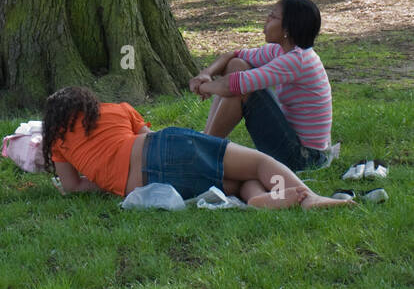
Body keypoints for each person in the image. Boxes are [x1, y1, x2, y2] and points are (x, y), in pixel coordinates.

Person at [43, 86, 352, 209]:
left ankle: (259, 199)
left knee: (233, 182)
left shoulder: (58, 142)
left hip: (148, 185)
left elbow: (72, 186)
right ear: (90, 103)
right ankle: (309, 198)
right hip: (163, 147)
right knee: (257, 162)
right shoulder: (116, 109)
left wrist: (100, 177)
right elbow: (150, 134)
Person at [191, 0, 334, 172]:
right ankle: (206, 141)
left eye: (273, 17)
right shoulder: (281, 50)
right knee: (238, 66)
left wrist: (202, 86)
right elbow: (234, 55)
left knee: (242, 89)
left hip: (305, 157)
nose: (266, 20)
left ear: (288, 28)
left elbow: (233, 86)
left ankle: (203, 152)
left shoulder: (297, 60)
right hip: (296, 145)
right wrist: (205, 74)